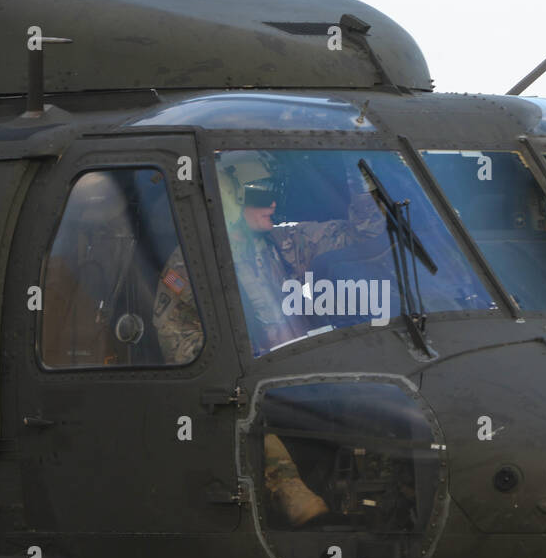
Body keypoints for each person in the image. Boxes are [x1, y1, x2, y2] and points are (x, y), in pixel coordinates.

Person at [152, 152, 382, 527]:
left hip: (307, 389)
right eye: (259, 195)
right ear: (231, 200)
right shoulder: (191, 263)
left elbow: (366, 234)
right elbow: (174, 336)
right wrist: (243, 362)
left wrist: (360, 180)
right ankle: (309, 515)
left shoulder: (287, 242)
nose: (272, 203)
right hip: (249, 398)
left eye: (274, 192)